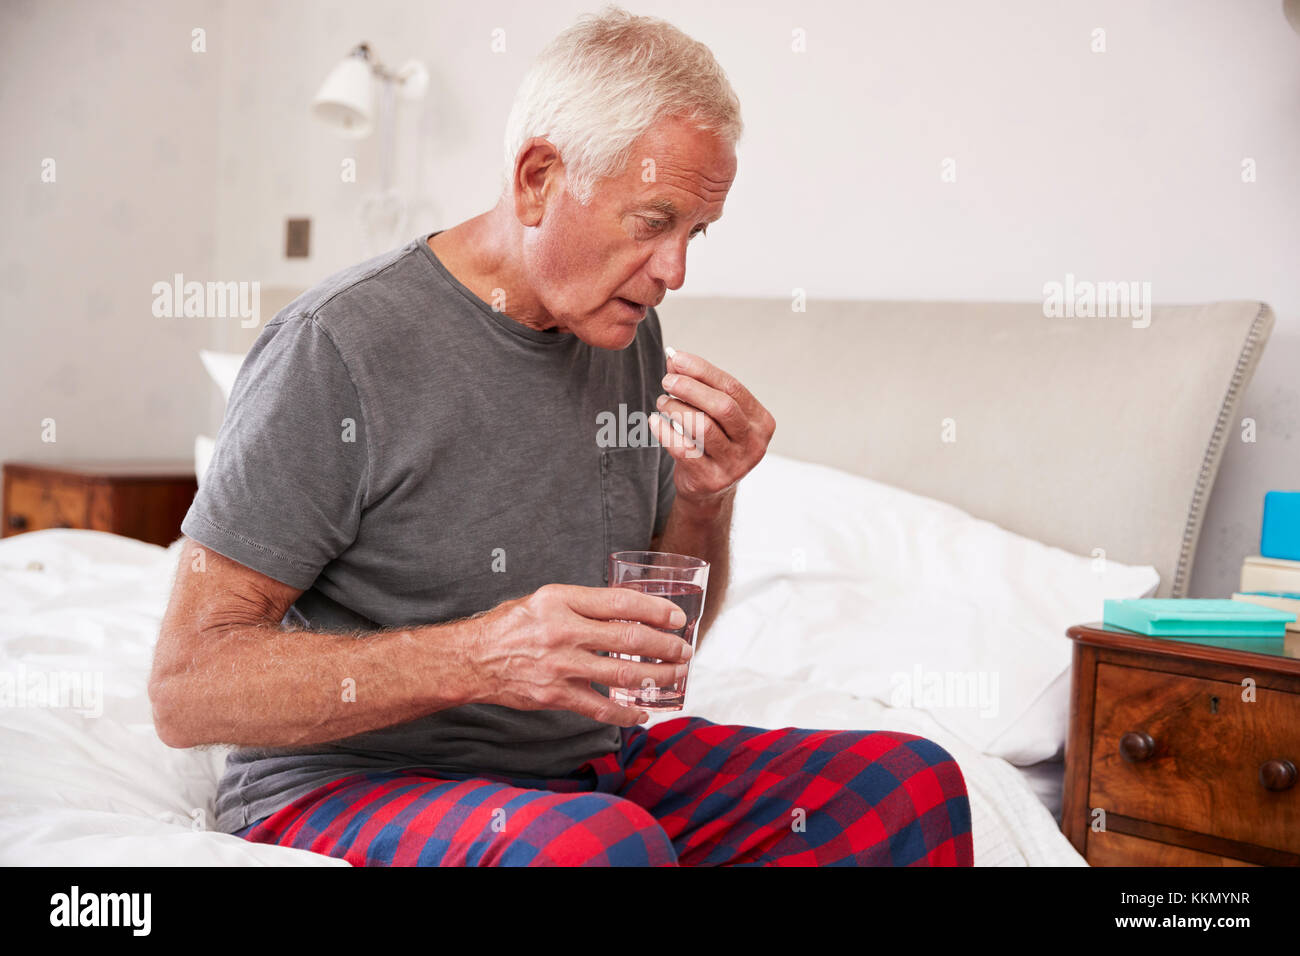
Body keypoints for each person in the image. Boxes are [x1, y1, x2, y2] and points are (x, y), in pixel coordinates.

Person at [149, 6, 973, 866]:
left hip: (578, 774)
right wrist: (483, 655)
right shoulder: (338, 346)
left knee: (907, 784)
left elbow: (658, 647)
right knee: (599, 847)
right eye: (653, 221)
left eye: (694, 233)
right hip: (347, 782)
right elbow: (187, 686)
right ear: (539, 178)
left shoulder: (628, 339)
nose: (675, 271)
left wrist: (707, 500)